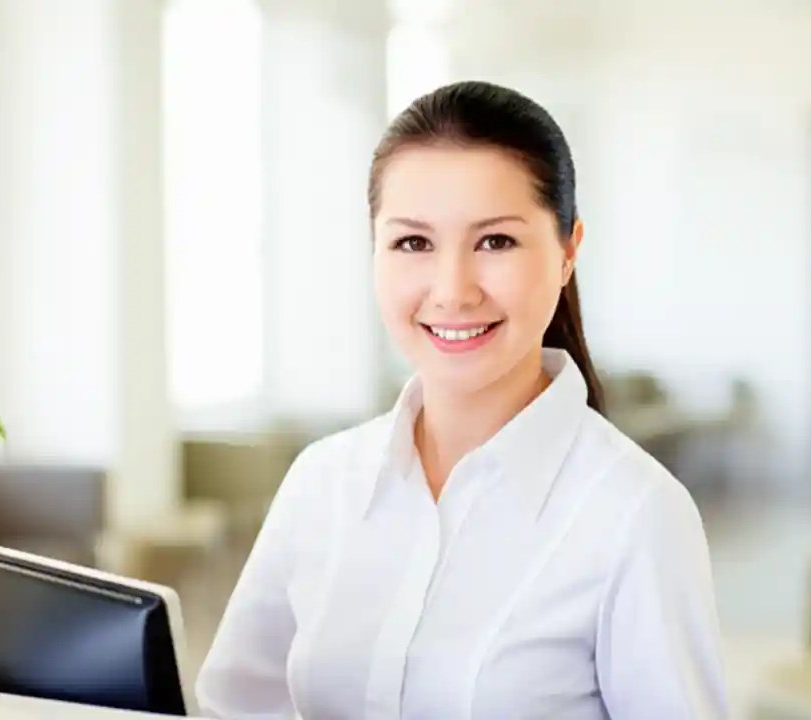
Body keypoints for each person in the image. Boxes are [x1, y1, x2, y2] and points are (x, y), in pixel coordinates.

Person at [195, 80, 728, 719]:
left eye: (495, 241)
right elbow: (235, 707)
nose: (452, 291)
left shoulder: (637, 514)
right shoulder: (322, 482)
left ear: (567, 253)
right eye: (413, 243)